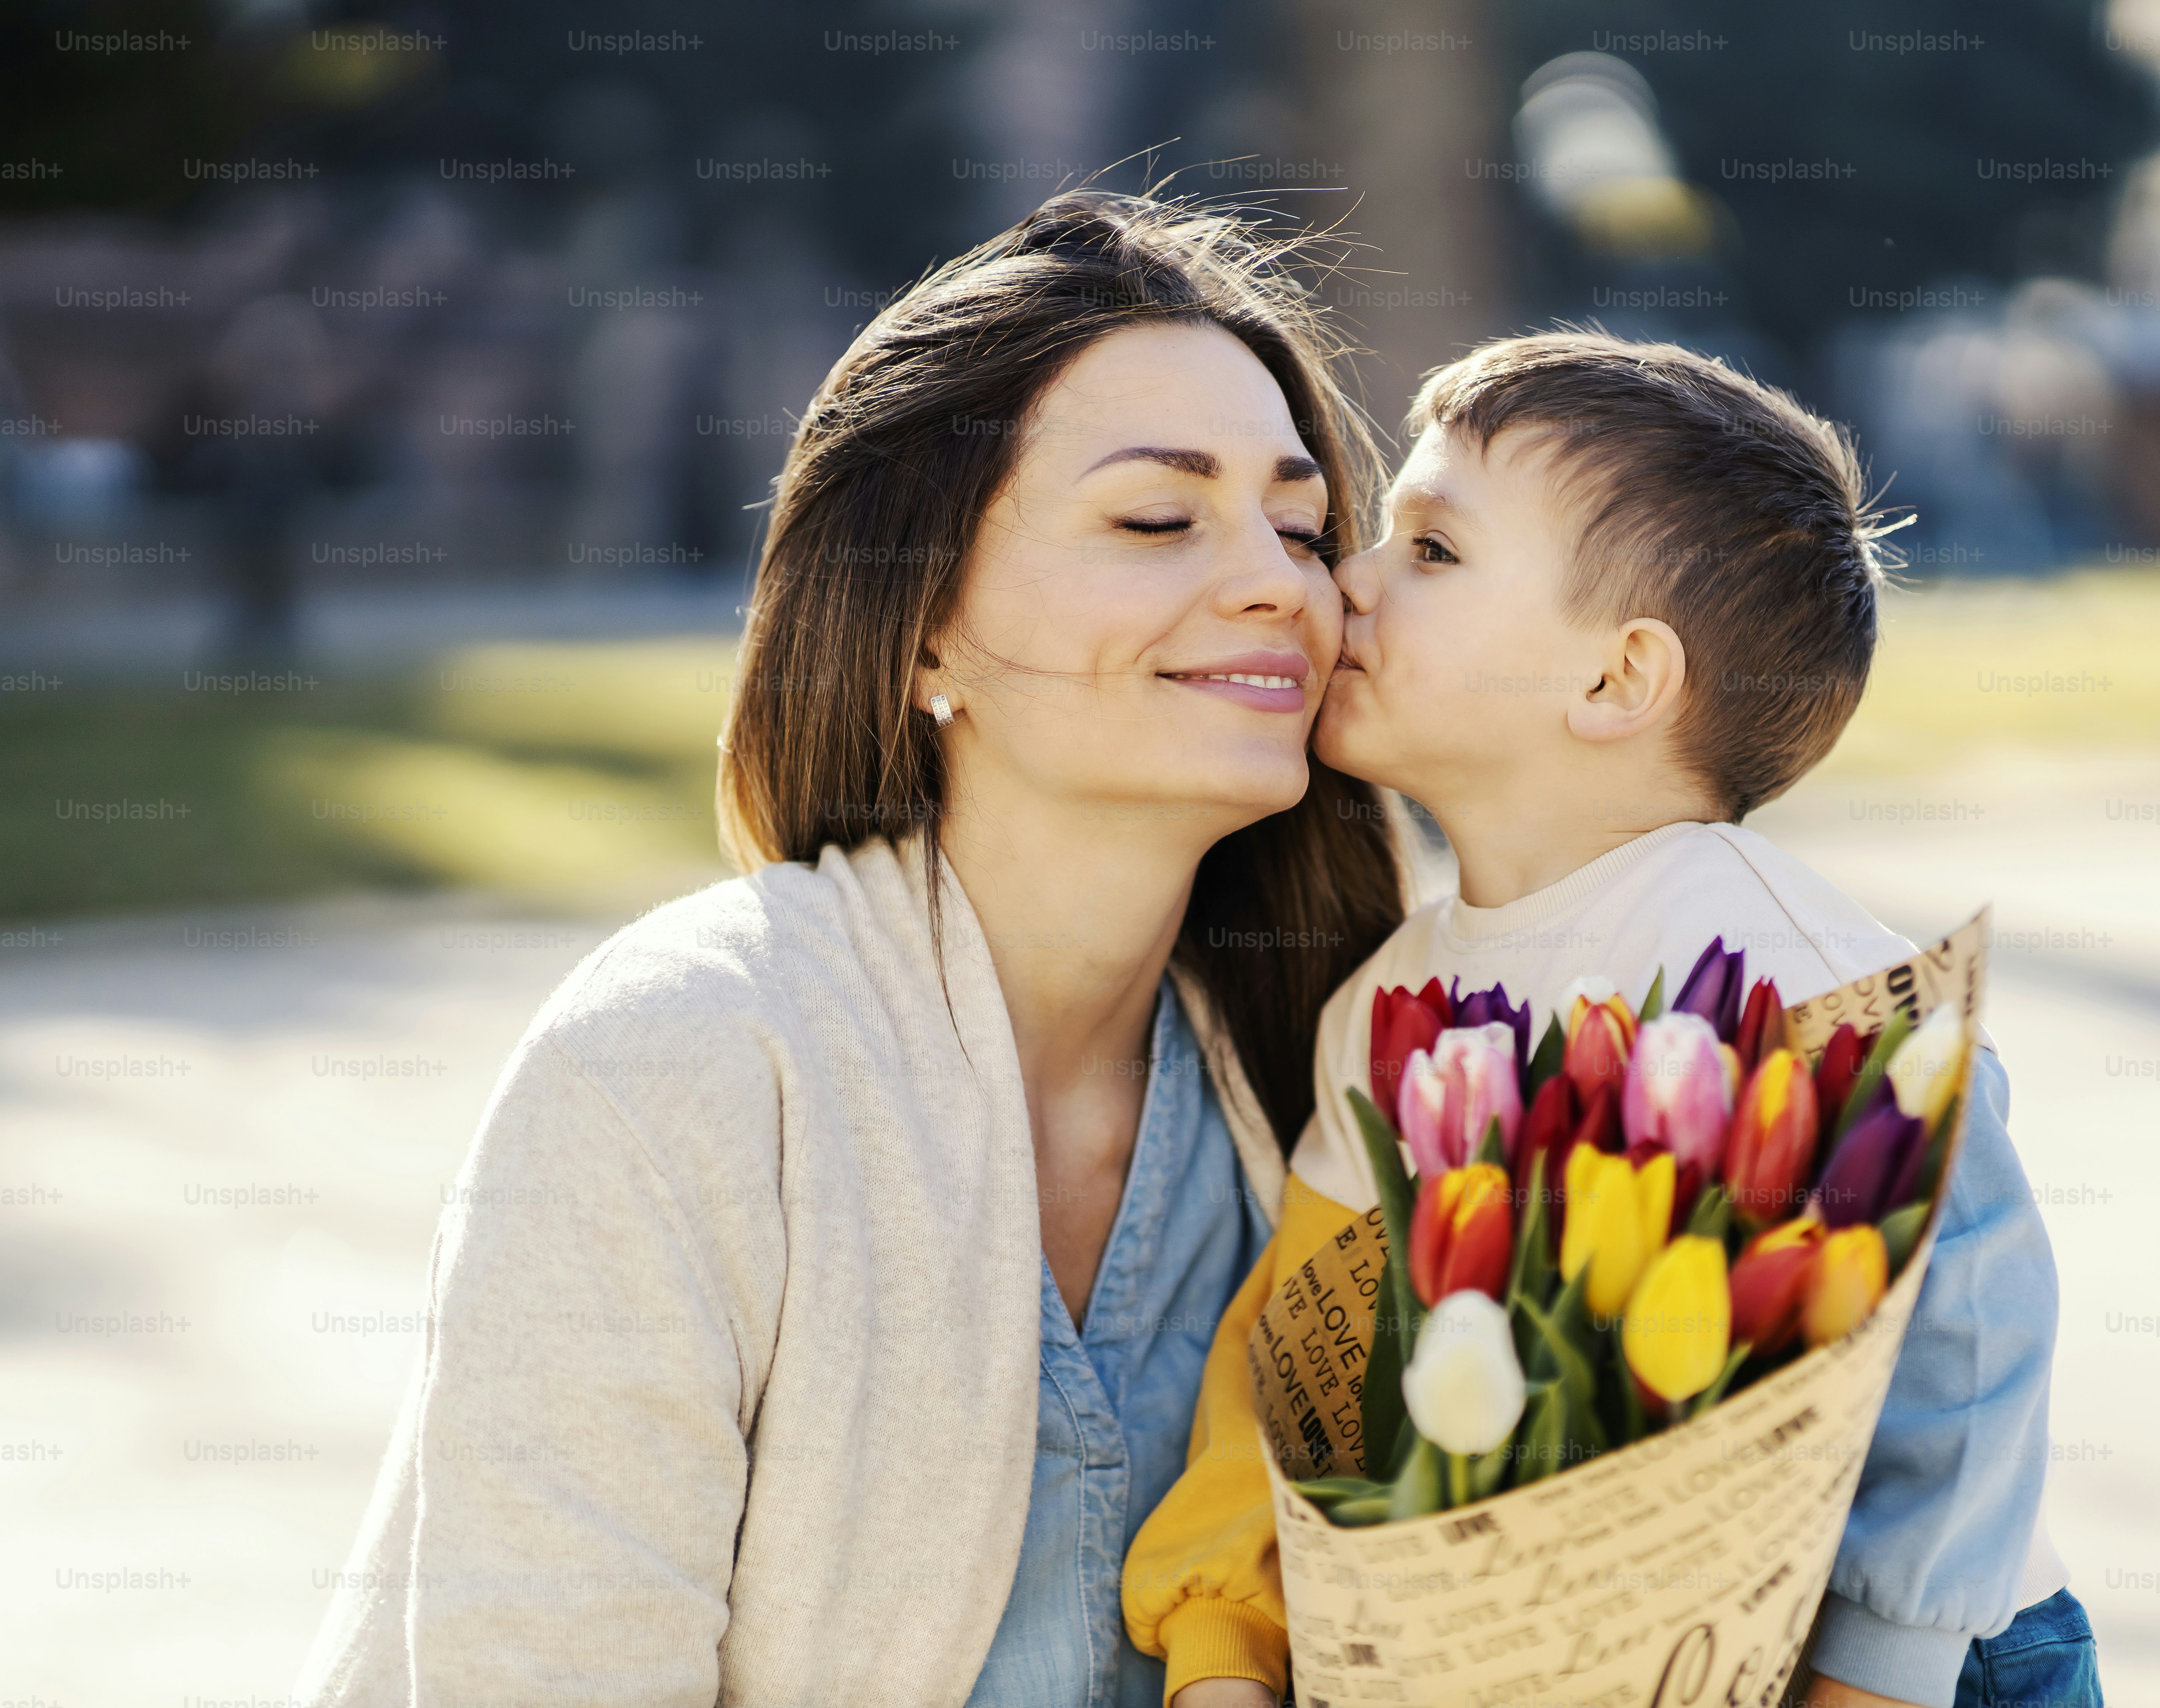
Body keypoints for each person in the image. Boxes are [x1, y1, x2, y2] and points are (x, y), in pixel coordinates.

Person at [295, 190, 1407, 1708]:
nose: (1284, 581)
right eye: (1159, 516)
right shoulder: (678, 1059)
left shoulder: (1342, 1085)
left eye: (1301, 522)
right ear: (922, 624)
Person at [1127, 332, 2101, 1708]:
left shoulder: (1784, 970)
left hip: (1905, 1662)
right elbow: (1303, 1369)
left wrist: (1882, 1669)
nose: (1346, 578)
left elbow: (1973, 1332)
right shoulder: (1385, 1016)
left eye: (1434, 551)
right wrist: (1234, 1647)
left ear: (1616, 682)